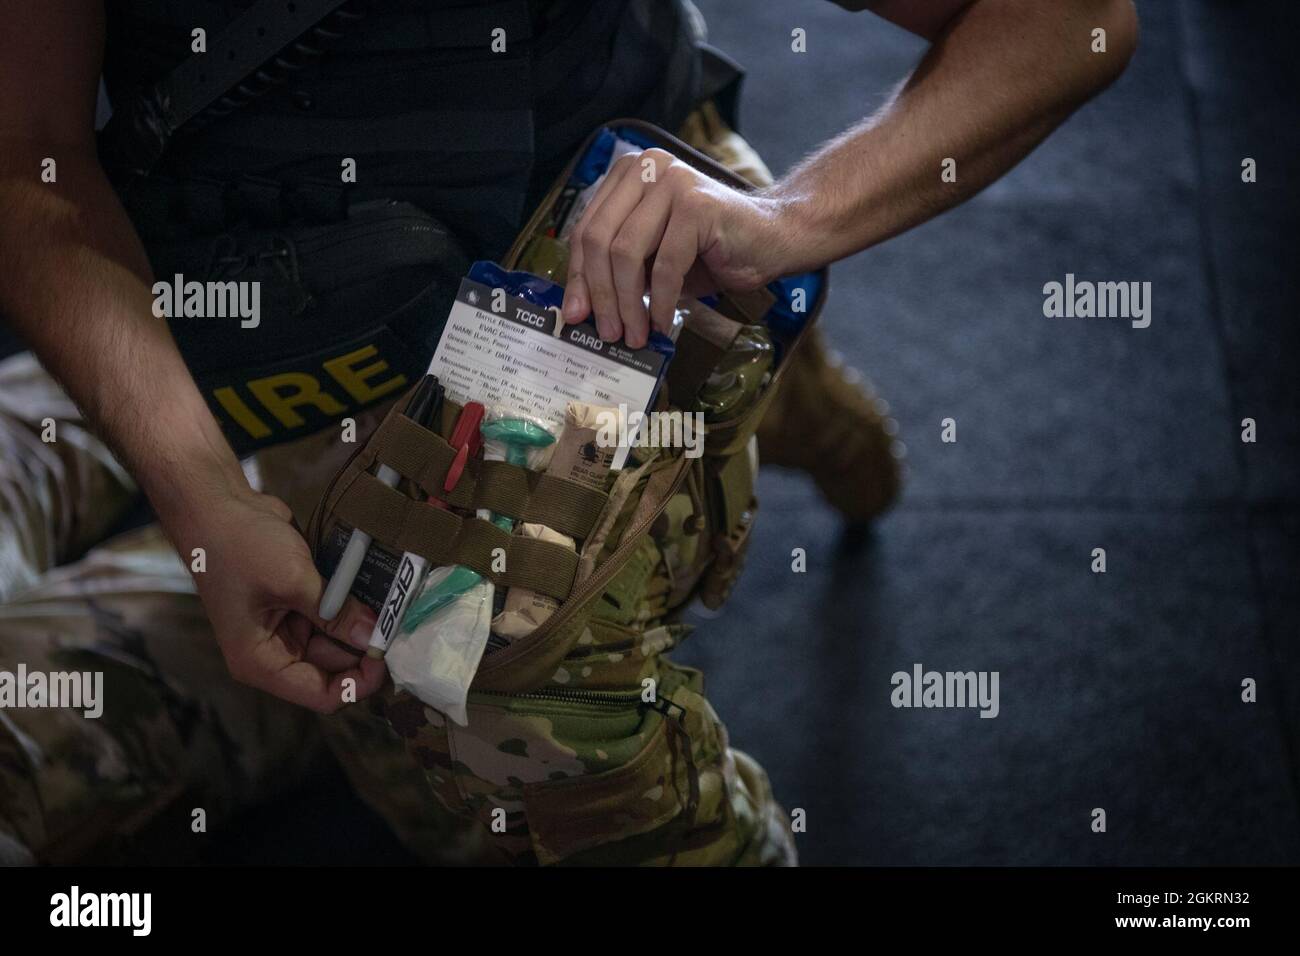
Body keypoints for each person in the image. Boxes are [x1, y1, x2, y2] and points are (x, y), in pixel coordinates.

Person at [0, 0, 1137, 865]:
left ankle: (780, 396)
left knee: (510, 710)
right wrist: (200, 495)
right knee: (383, 697)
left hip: (625, 236)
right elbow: (30, 155)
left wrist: (789, 220)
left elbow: (1073, 19)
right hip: (285, 332)